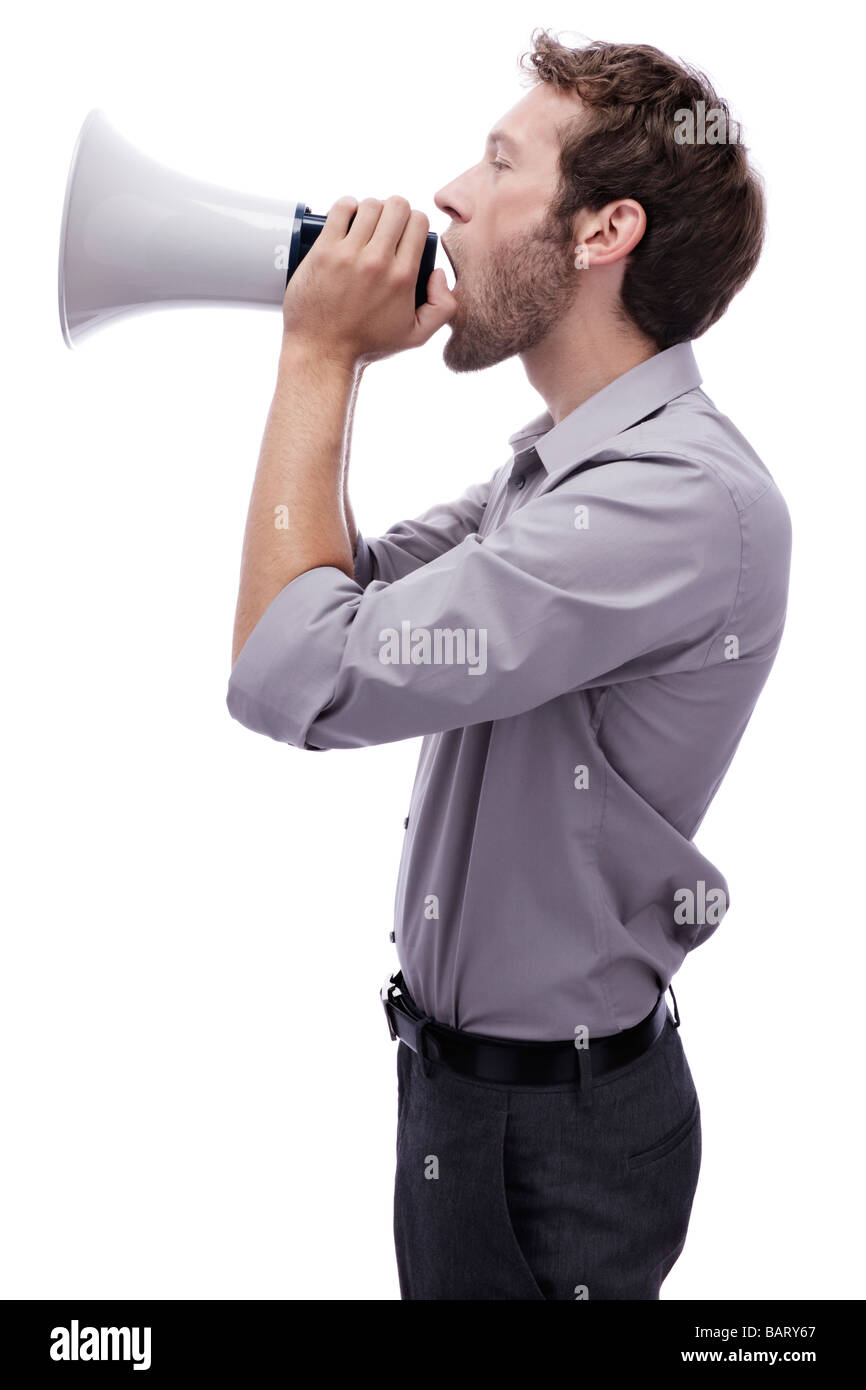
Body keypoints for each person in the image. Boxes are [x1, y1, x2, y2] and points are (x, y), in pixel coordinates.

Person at [226, 30, 792, 1300]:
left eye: (496, 162)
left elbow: (288, 674)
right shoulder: (555, 473)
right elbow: (334, 596)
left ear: (603, 234)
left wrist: (317, 357)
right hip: (459, 1099)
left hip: (554, 1141)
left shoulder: (673, 501)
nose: (447, 196)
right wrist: (333, 358)